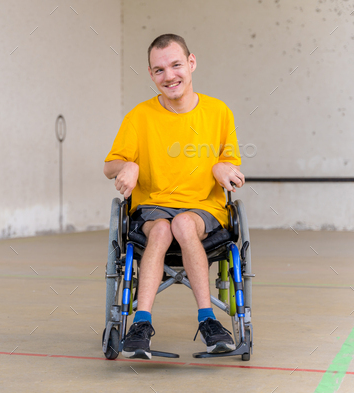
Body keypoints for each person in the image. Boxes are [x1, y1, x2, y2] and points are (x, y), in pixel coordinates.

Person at [103, 34, 245, 359]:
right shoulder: (140, 117)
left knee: (182, 223)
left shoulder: (219, 112)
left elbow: (234, 168)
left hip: (202, 210)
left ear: (191, 63)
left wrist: (224, 168)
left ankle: (208, 320)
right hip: (153, 209)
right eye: (159, 70)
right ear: (151, 75)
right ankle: (141, 325)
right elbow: (109, 166)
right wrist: (127, 167)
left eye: (176, 65)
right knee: (166, 227)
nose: (169, 76)